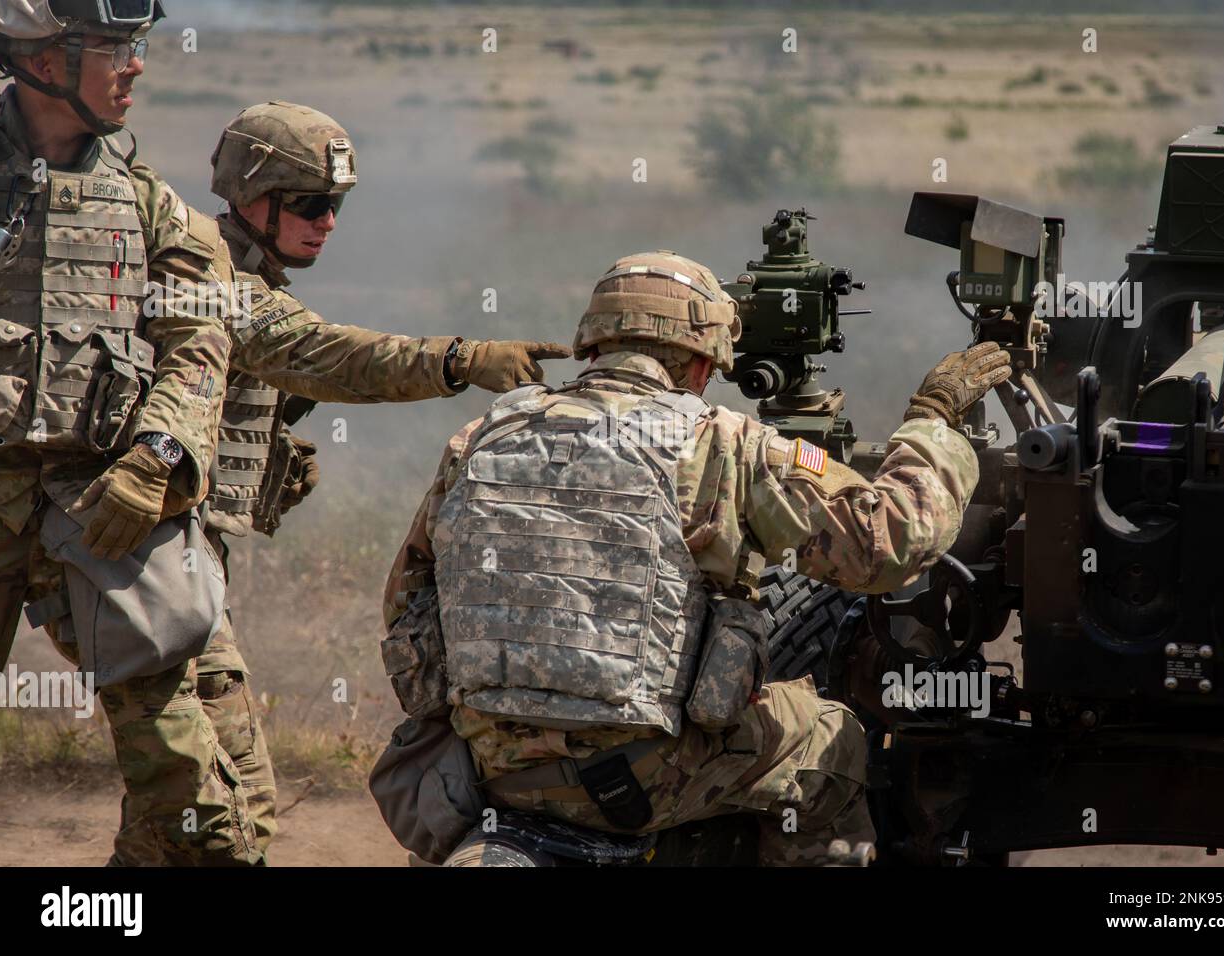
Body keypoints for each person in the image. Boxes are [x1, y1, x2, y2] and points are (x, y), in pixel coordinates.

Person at [369, 250, 1011, 865]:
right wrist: (933, 422)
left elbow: (407, 608)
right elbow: (889, 545)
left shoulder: (482, 436)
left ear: (591, 345)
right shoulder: (722, 444)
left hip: (489, 770)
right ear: (702, 363)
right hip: (645, 778)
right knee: (836, 742)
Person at [110, 100, 573, 864]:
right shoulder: (213, 280)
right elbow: (331, 356)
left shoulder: (245, 275)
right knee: (224, 811)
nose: (328, 223)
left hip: (179, 574)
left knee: (195, 814)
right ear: (252, 196)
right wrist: (459, 360)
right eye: (311, 204)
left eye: (336, 206)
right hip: (153, 575)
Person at [0, 0, 258, 864]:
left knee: (194, 804)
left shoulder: (150, 207)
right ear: (42, 60)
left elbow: (199, 344)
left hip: (103, 509)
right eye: (113, 46)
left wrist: (160, 456)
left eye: (137, 45)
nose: (137, 65)